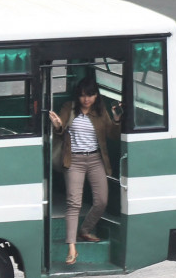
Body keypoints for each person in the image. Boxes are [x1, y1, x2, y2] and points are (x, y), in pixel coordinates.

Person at [48, 78, 121, 266]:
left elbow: (113, 134)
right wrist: (57, 124)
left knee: (102, 200)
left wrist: (117, 119)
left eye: (90, 95)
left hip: (96, 159)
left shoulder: (100, 111)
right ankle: (72, 247)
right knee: (74, 203)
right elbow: (60, 128)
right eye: (82, 95)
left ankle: (85, 230)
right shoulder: (69, 108)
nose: (86, 99)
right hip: (74, 160)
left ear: (96, 96)